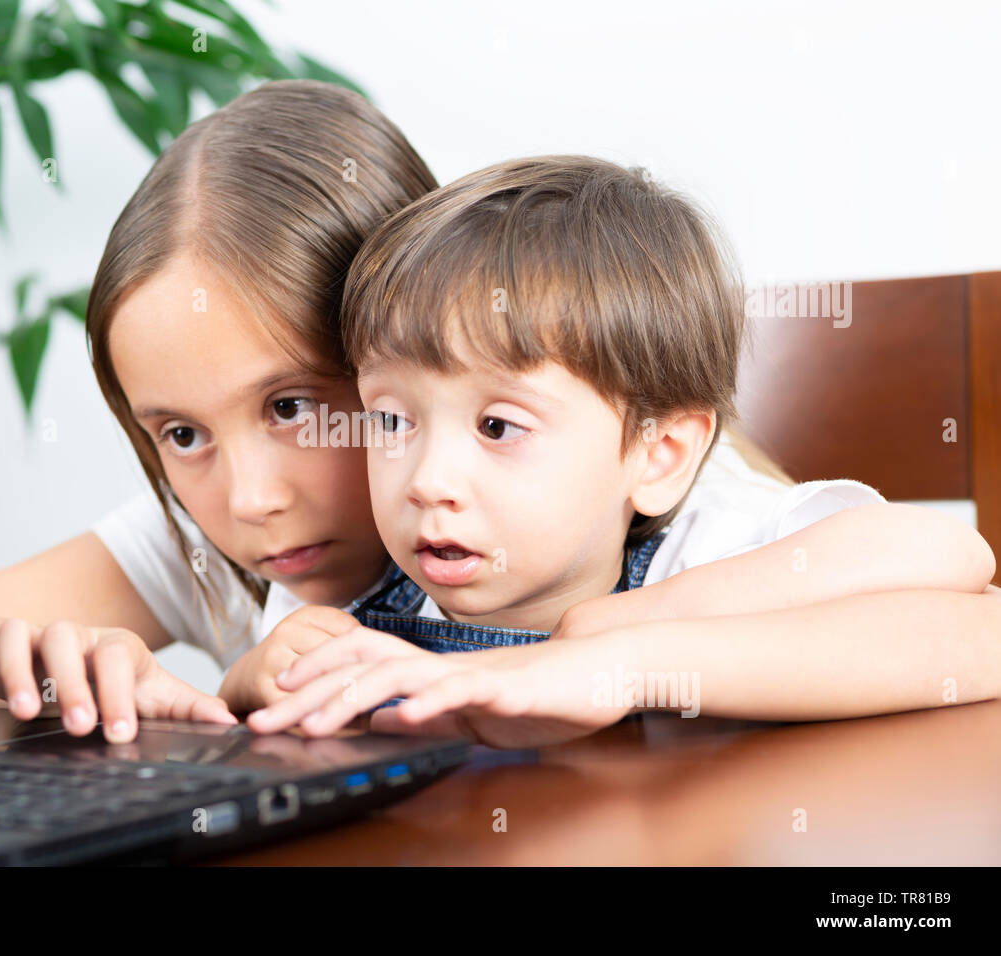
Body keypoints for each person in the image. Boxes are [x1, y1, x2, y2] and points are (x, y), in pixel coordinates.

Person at [0, 93, 994, 743]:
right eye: (181, 434)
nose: (247, 497)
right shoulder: (225, 543)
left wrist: (602, 642)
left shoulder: (653, 526)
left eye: (298, 406)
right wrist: (53, 659)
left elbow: (954, 589)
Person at [245, 156, 1000, 744]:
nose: (427, 481)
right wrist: (254, 679)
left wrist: (618, 647)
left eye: (498, 427)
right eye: (391, 422)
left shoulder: (703, 554)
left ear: (659, 456)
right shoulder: (356, 588)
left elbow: (959, 572)